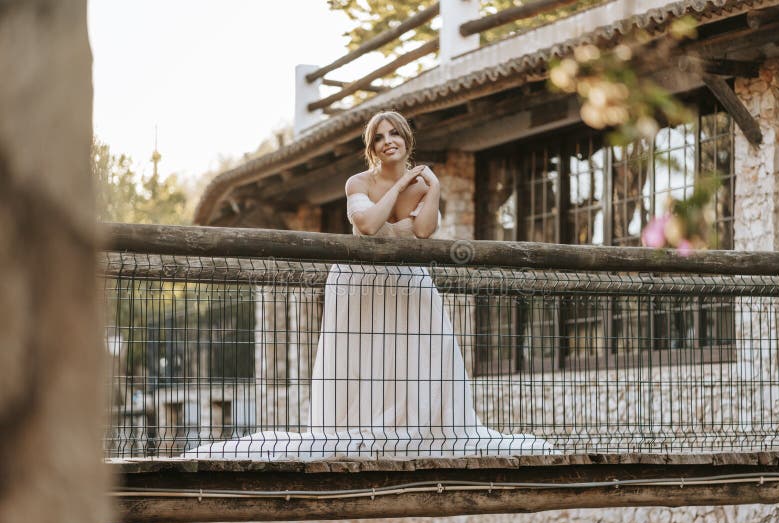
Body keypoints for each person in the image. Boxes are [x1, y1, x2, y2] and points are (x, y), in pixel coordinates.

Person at [191, 111, 555, 459]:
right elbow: (367, 224)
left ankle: (419, 428)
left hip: (409, 280)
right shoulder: (358, 183)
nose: (387, 142)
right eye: (378, 138)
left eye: (394, 133)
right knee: (362, 356)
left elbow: (425, 232)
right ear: (371, 148)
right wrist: (398, 185)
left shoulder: (425, 184)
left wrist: (435, 188)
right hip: (360, 282)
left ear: (407, 140)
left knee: (420, 351)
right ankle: (360, 428)